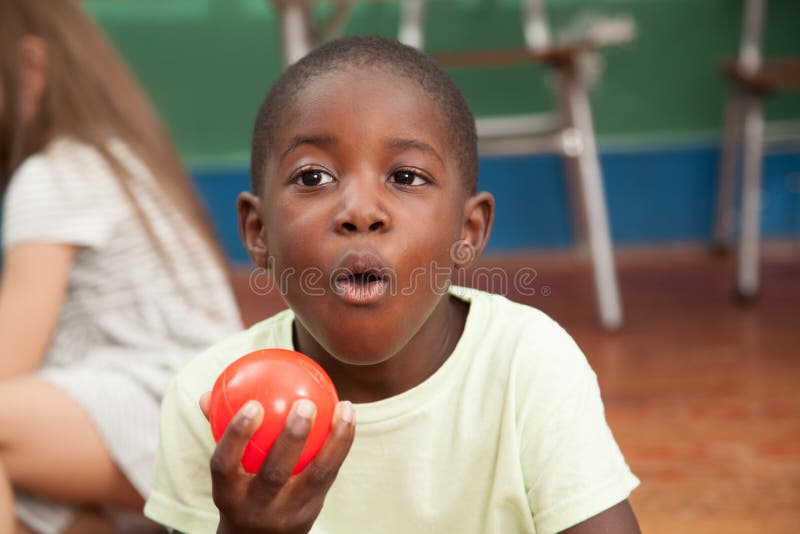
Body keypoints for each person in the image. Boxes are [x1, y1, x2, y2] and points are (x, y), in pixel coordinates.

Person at [144, 35, 641, 534]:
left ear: (467, 233)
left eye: (405, 176)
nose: (361, 211)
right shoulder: (215, 403)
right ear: (258, 232)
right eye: (314, 177)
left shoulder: (526, 366)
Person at [0, 1, 243, 532]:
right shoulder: (116, 161)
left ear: (32, 67)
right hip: (211, 411)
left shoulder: (52, 177)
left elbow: (6, 364)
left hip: (171, 410)